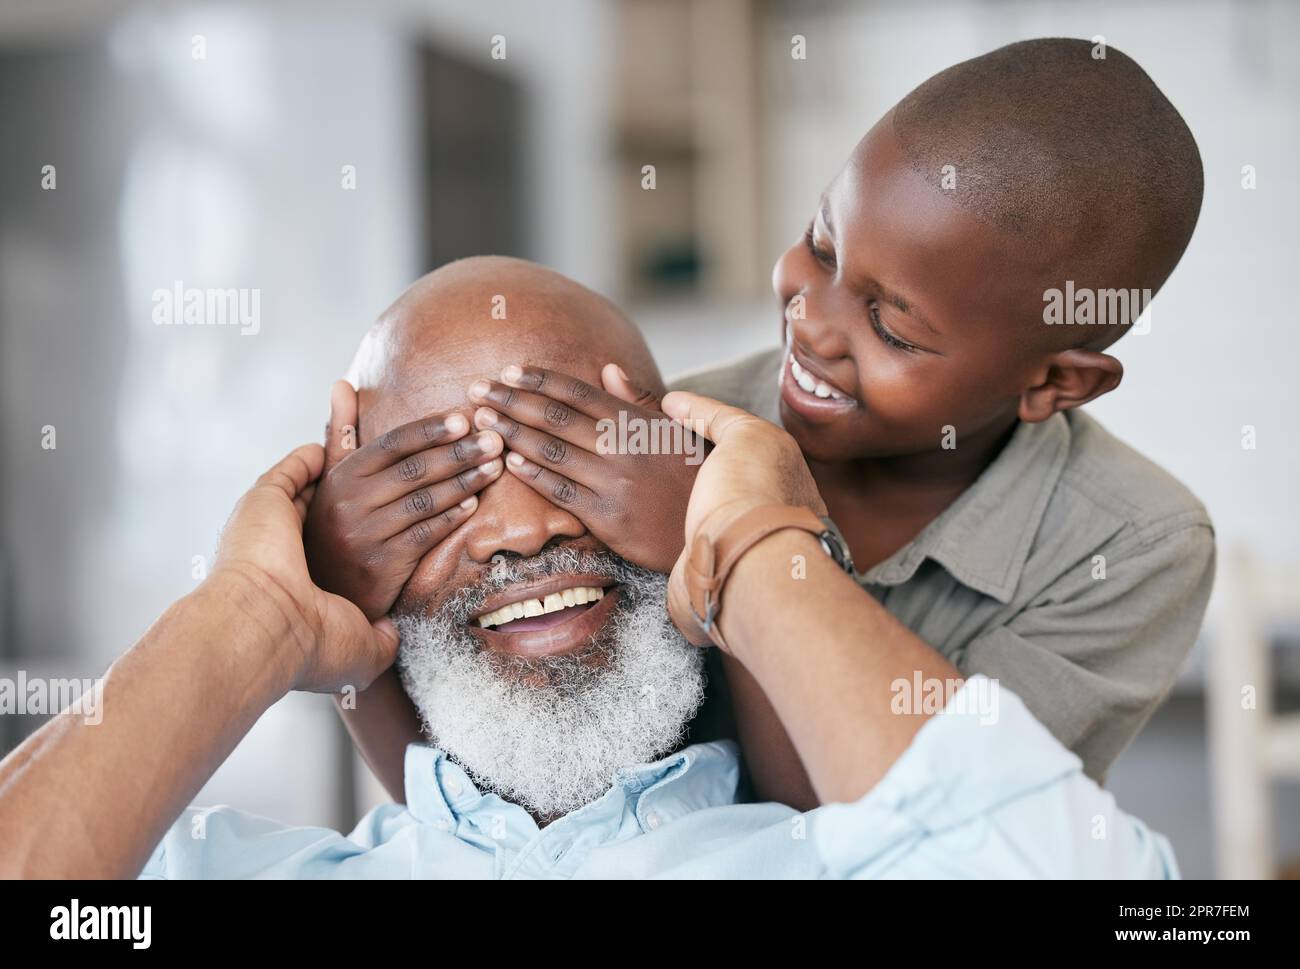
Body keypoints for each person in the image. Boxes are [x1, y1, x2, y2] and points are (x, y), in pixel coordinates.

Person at [0, 273, 1179, 876]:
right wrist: (251, 614)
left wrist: (755, 547)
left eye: (571, 457)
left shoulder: (855, 862)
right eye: (443, 482)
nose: (516, 528)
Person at [464, 38, 1215, 808]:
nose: (812, 323)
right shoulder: (661, 438)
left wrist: (734, 541)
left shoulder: (1132, 547)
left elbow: (916, 830)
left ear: (1053, 381)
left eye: (893, 329)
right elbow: (505, 802)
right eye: (822, 247)